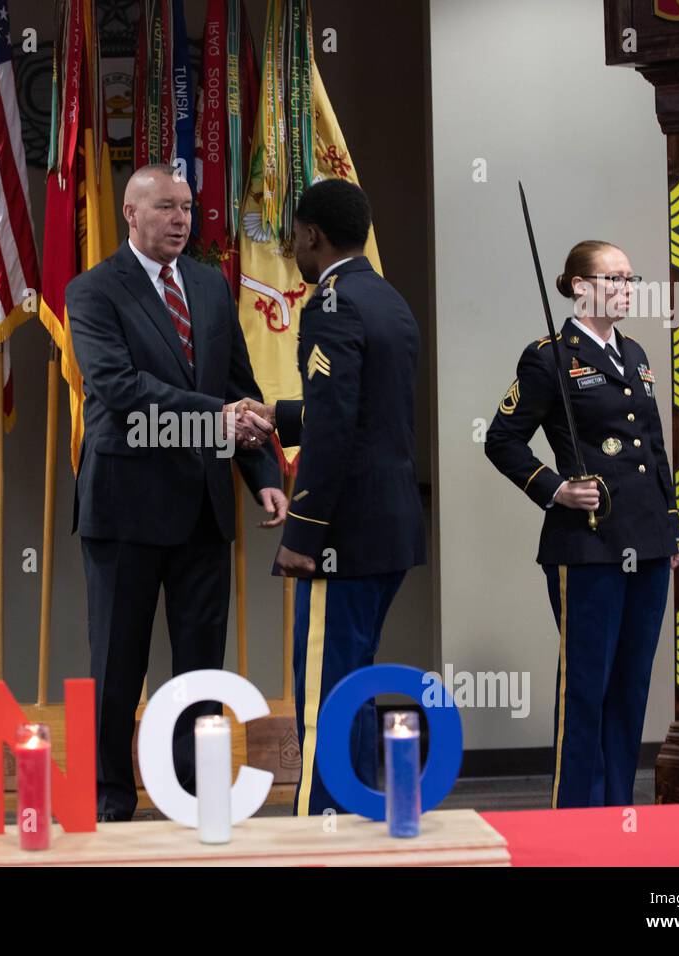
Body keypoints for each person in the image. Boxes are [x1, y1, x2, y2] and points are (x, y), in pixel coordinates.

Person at [66, 164, 286, 822]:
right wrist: (213, 419)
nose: (181, 220)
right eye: (165, 208)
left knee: (199, 670)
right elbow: (122, 393)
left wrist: (266, 478)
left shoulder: (210, 286)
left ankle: (195, 798)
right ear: (131, 215)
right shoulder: (93, 290)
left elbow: (236, 389)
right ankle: (111, 801)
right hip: (125, 508)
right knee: (118, 668)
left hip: (202, 508)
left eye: (187, 208)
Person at [235, 178, 426, 816]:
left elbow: (339, 424)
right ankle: (362, 813)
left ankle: (320, 828)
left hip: (341, 534)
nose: (291, 245)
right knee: (357, 681)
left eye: (294, 235)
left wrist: (303, 535)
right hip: (390, 527)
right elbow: (359, 412)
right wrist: (279, 414)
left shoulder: (330, 304)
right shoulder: (389, 299)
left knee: (323, 692)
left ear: (312, 234)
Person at [485, 239, 679, 809]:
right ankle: (576, 818)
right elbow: (502, 439)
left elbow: (654, 446)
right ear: (578, 286)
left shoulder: (637, 354)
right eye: (613, 277)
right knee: (587, 688)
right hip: (590, 543)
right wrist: (556, 489)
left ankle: (618, 807)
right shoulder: (548, 356)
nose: (626, 288)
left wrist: (669, 527)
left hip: (646, 541)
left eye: (629, 277)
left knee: (630, 686)